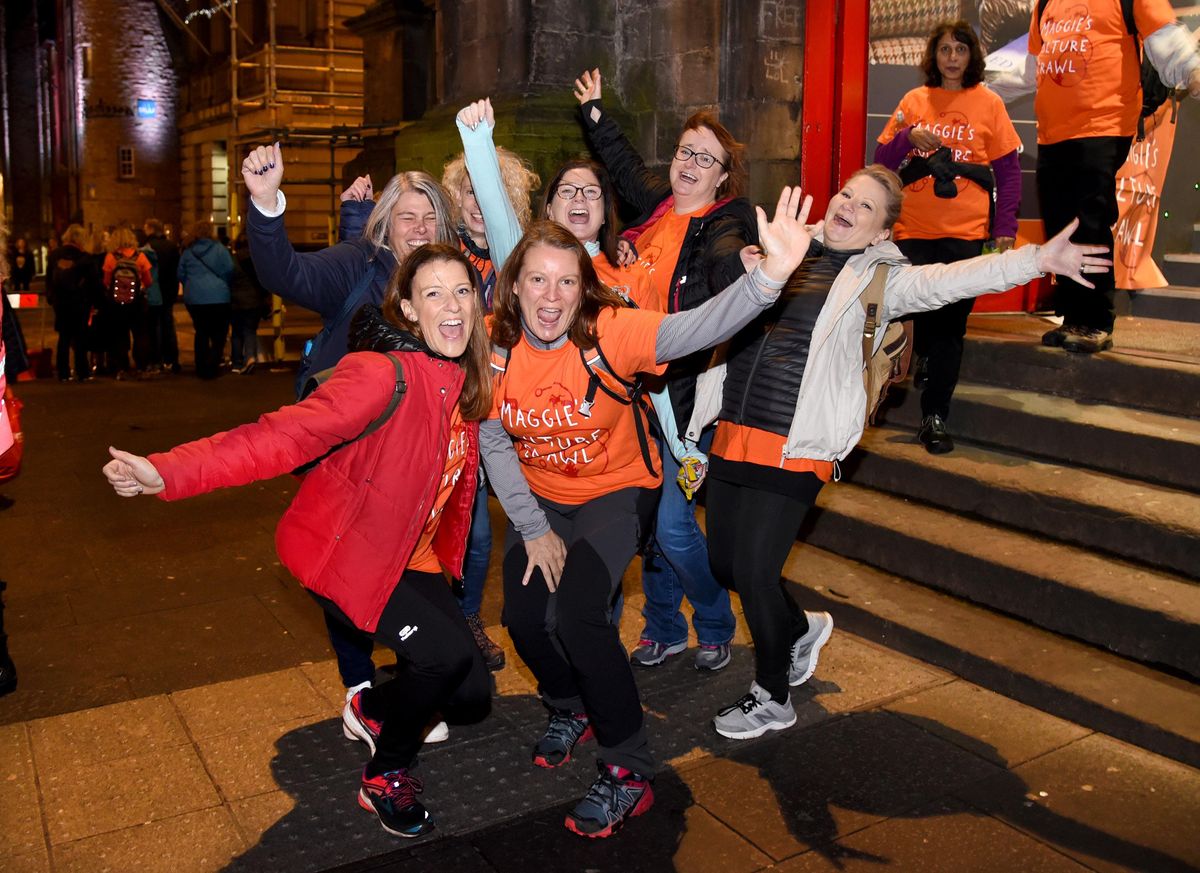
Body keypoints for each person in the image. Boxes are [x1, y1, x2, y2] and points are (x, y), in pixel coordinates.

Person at [687, 165, 1113, 740]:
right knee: (725, 566)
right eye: (846, 194)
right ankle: (800, 630)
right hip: (735, 428)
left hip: (799, 441)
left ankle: (772, 696)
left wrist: (1036, 260)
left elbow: (953, 279)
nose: (847, 206)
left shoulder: (882, 281)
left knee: (756, 573)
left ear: (882, 233)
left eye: (865, 206)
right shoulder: (788, 244)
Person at [102, 243, 494, 838]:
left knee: (470, 693)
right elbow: (281, 436)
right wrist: (168, 471)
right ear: (409, 310)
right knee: (444, 656)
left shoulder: (463, 380)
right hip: (346, 553)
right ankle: (383, 777)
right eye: (433, 293)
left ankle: (372, 708)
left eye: (462, 291)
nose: (453, 306)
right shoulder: (381, 374)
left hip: (407, 556)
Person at [481, 197, 815, 837]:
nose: (551, 297)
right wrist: (532, 527)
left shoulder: (612, 329)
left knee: (580, 615)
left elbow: (698, 328)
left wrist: (770, 277)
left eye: (567, 282)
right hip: (542, 500)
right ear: (514, 285)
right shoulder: (494, 344)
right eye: (537, 280)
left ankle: (627, 769)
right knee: (523, 619)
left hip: (616, 491)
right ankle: (570, 705)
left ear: (584, 289)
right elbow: (493, 437)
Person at [242, 144, 462, 708]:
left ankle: (413, 676)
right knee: (349, 563)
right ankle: (360, 688)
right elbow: (286, 272)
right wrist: (266, 205)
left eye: (430, 215)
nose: (420, 227)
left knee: (413, 560)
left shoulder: (448, 277)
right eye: (407, 216)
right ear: (386, 225)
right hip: (350, 451)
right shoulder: (358, 264)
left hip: (415, 455)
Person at [575, 68, 751, 672]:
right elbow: (623, 165)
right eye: (684, 151)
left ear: (722, 175)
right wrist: (595, 112)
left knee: (674, 527)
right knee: (649, 525)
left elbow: (725, 263)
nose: (690, 163)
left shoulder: (725, 219)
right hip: (633, 392)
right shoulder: (655, 208)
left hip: (684, 394)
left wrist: (747, 269)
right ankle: (663, 626)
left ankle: (715, 621)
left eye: (705, 157)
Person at [988, 0, 1200, 353]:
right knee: (1060, 224)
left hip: (1104, 123)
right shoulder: (1045, 4)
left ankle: (1095, 320)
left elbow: (1165, 39)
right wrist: (976, 87)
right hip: (1052, 132)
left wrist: (1192, 71)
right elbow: (1032, 66)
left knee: (1090, 220)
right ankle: (1073, 316)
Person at [875, 20, 1022, 454]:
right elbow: (882, 158)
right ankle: (914, 364)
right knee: (911, 316)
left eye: (960, 49)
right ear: (934, 56)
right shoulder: (914, 101)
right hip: (913, 231)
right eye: (944, 49)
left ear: (971, 56)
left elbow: (1008, 172)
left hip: (965, 233)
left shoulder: (989, 103)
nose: (952, 57)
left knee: (951, 327)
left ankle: (934, 416)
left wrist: (1005, 228)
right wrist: (908, 137)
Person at [178, 220, 234, 380]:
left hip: (195, 299)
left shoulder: (188, 252)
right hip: (219, 297)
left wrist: (191, 285)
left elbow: (180, 274)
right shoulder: (220, 249)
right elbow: (230, 269)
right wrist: (222, 282)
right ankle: (213, 364)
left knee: (201, 332)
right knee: (219, 334)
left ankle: (201, 366)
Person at [47, 224, 102, 382]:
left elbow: (49, 279)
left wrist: (51, 297)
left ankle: (63, 372)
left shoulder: (54, 255)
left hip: (60, 302)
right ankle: (82, 371)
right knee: (80, 337)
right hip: (80, 301)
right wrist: (97, 301)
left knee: (63, 337)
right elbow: (94, 282)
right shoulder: (85, 258)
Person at [100, 228, 153, 379]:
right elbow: (149, 281)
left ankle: (122, 369)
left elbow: (106, 281)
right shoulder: (140, 256)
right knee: (140, 334)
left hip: (117, 303)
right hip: (137, 302)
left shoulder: (110, 257)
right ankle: (141, 367)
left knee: (120, 335)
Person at [143, 219, 182, 374]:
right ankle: (172, 359)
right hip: (169, 290)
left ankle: (155, 359)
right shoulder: (171, 246)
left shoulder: (147, 247)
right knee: (168, 325)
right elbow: (177, 269)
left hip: (153, 290)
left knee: (153, 326)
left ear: (151, 229)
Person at [229, 236, 270, 375]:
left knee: (236, 332)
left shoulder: (232, 260)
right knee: (250, 330)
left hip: (235, 301)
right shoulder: (257, 260)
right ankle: (250, 357)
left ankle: (236, 363)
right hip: (254, 300)